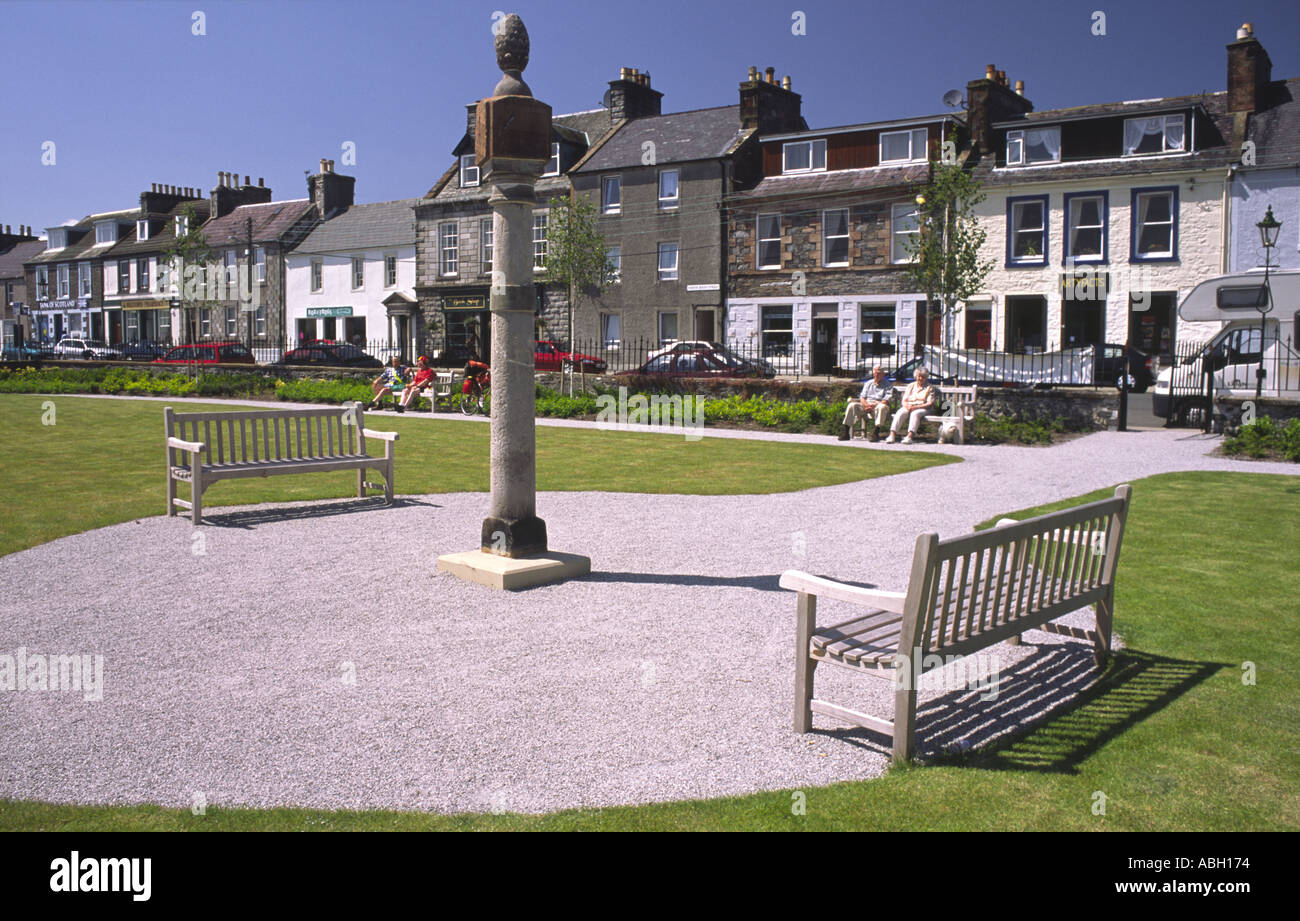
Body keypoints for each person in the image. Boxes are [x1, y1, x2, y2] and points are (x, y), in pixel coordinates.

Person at [839, 365, 893, 442]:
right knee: (852, 405)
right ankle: (846, 432)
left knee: (881, 407)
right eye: (875, 373)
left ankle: (876, 433)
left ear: (883, 374)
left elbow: (886, 400)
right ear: (873, 374)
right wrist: (867, 405)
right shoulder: (868, 383)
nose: (876, 375)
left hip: (879, 404)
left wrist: (874, 405)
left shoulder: (888, 385)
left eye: (879, 373)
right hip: (867, 404)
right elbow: (862, 397)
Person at [886, 367, 936, 444]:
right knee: (901, 412)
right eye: (918, 376)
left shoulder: (930, 388)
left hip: (924, 408)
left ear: (926, 377)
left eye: (923, 377)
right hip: (909, 406)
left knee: (915, 413)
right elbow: (904, 400)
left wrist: (915, 407)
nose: (920, 378)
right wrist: (907, 406)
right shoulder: (911, 386)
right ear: (915, 376)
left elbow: (929, 403)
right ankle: (892, 435)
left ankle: (909, 437)